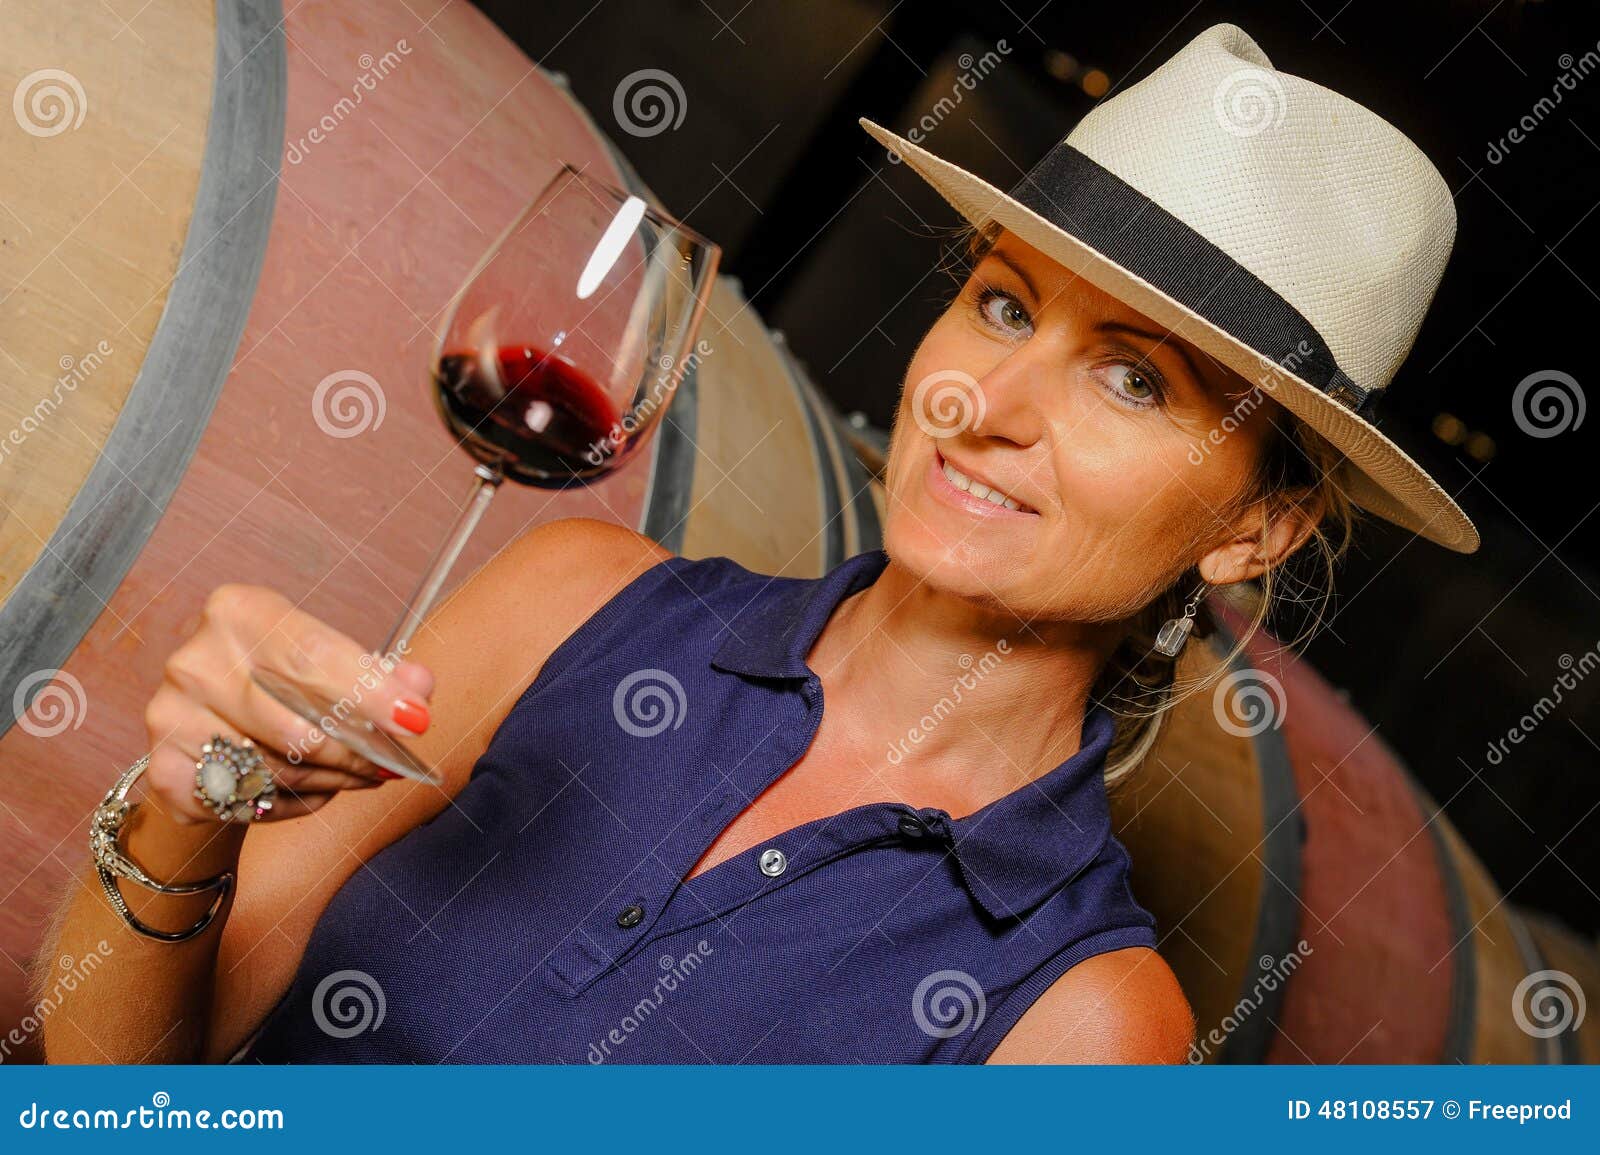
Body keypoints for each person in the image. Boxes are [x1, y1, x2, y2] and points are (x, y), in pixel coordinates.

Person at [43, 23, 1476, 1064]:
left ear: (1254, 528)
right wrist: (190, 810)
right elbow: (113, 1087)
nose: (988, 402)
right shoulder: (573, 600)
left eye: (1134, 379)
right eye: (1000, 304)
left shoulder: (1082, 1024)